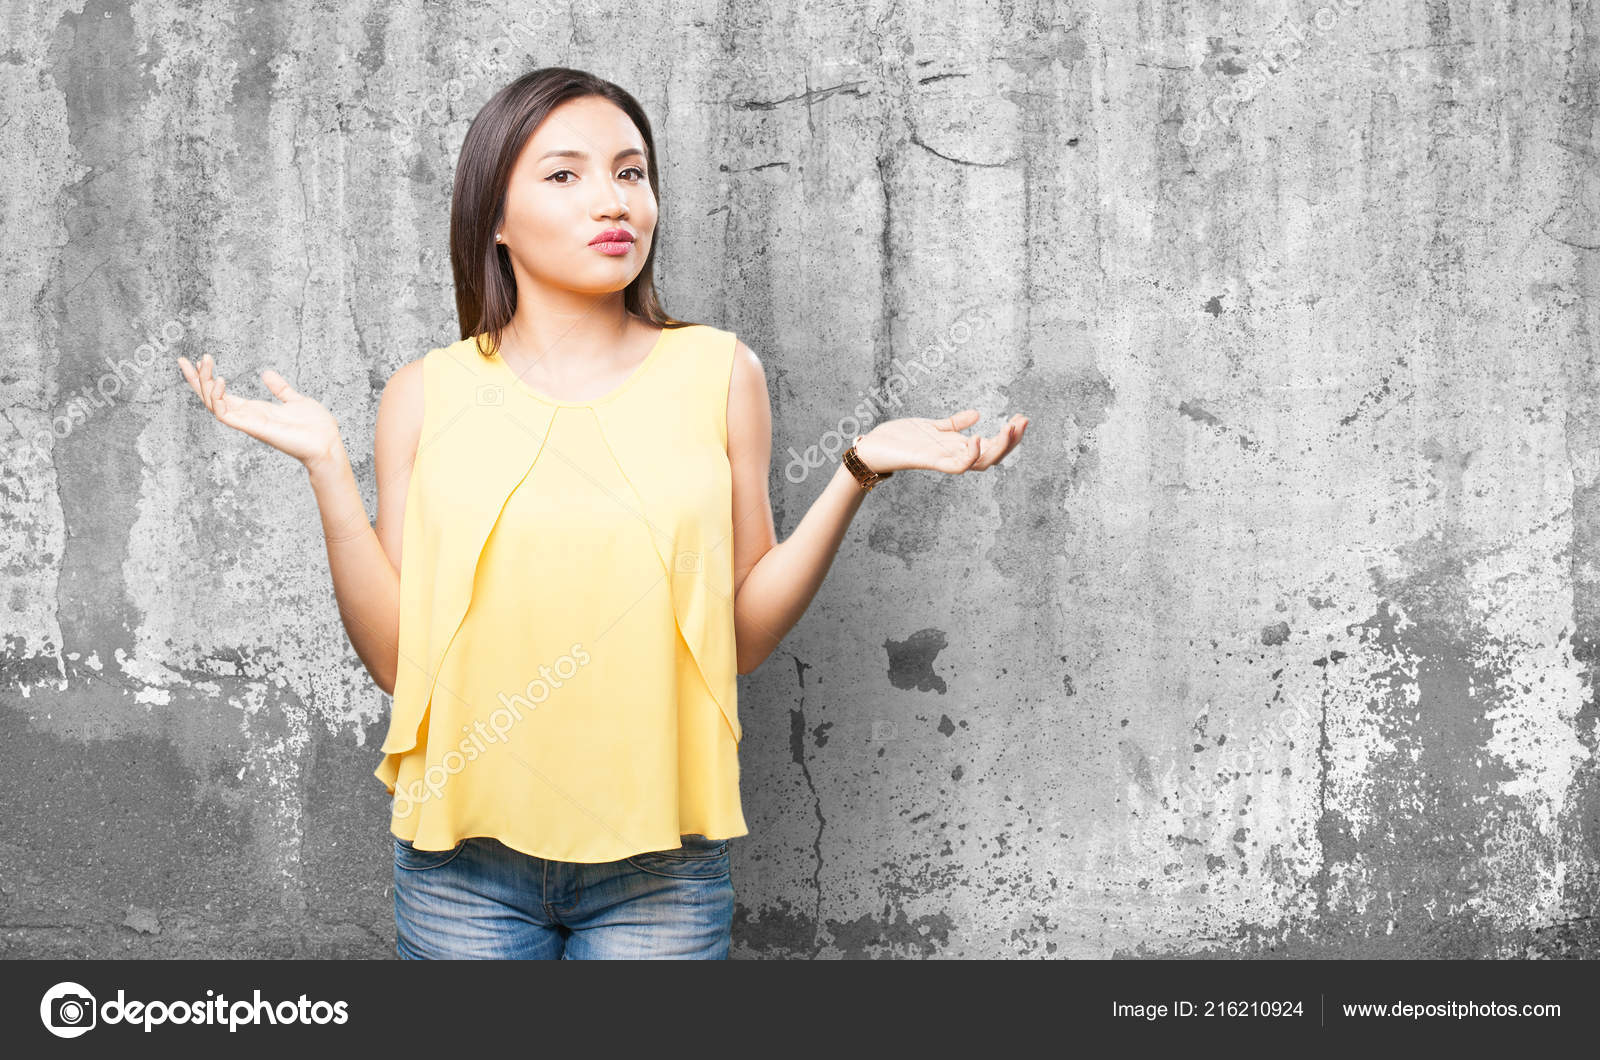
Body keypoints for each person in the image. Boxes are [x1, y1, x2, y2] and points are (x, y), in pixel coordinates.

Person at [176, 66, 1028, 960]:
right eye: (564, 175)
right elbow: (399, 664)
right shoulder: (424, 395)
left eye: (630, 172)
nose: (612, 200)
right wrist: (327, 470)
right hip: (461, 868)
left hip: (661, 871)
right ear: (494, 220)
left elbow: (738, 637)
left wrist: (856, 471)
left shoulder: (720, 373)